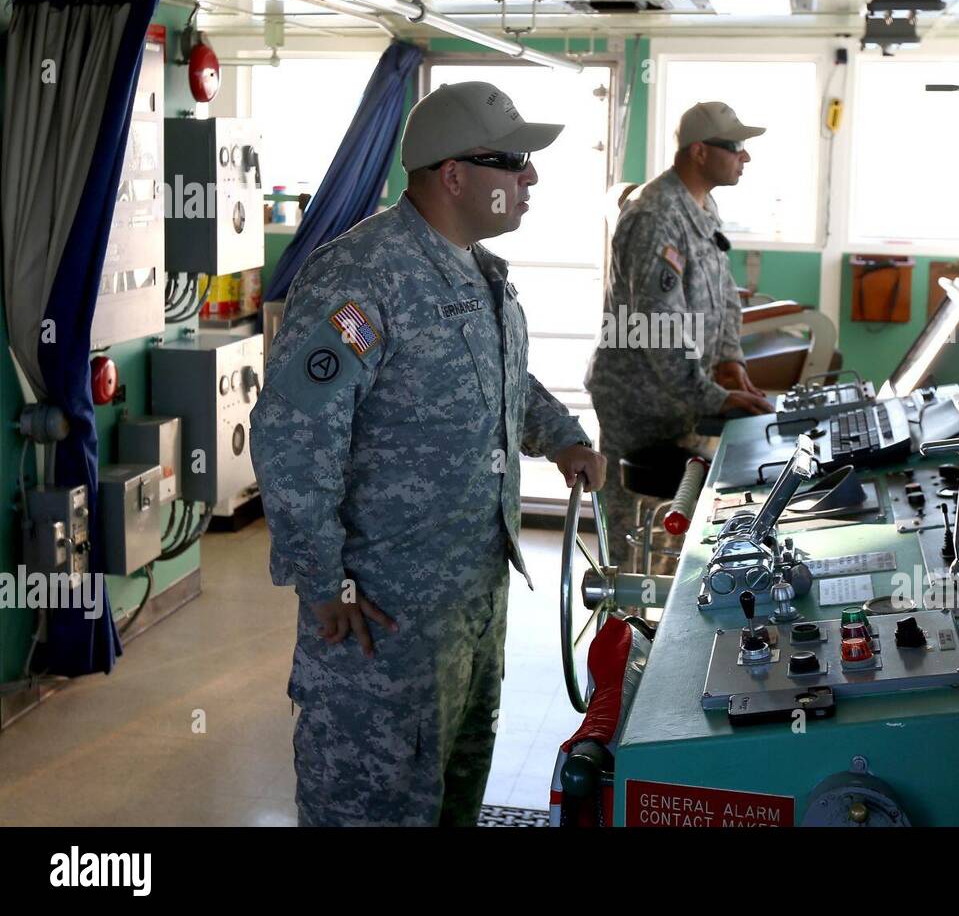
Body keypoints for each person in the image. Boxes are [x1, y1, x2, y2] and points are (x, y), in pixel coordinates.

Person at [250, 80, 606, 827]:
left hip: (470, 607)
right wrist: (323, 582)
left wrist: (561, 436)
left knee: (452, 795)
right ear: (454, 175)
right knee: (376, 807)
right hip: (382, 620)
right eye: (514, 162)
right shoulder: (361, 277)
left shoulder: (477, 272)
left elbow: (501, 376)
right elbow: (292, 434)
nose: (530, 178)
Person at [585, 101, 773, 570]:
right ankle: (627, 628)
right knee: (631, 546)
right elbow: (659, 328)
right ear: (699, 152)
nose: (744, 157)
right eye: (735, 148)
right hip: (639, 402)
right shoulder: (654, 216)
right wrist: (712, 397)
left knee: (674, 538)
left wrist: (731, 361)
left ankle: (664, 623)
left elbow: (724, 292)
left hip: (681, 400)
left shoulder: (702, 206)